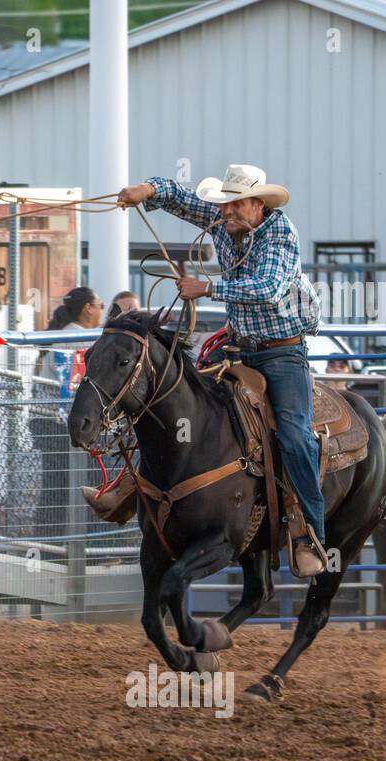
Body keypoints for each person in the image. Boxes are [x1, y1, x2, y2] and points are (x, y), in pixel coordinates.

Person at [102, 164, 326, 577]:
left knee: (295, 436)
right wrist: (146, 190)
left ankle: (309, 532)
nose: (227, 211)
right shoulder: (227, 222)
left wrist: (207, 288)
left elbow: (268, 287)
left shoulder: (281, 235)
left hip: (283, 353)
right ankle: (128, 486)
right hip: (237, 345)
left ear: (258, 205)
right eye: (225, 204)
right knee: (172, 400)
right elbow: (183, 199)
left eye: (236, 203)